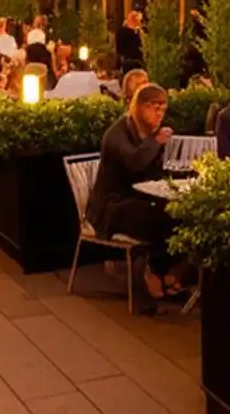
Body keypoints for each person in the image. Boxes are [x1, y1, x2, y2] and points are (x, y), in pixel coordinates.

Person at [86, 84, 181, 308]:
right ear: (139, 107)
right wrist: (156, 143)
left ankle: (165, 271)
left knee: (177, 213)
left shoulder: (152, 134)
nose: (159, 114)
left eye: (163, 109)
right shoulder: (117, 133)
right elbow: (135, 162)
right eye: (154, 108)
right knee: (157, 218)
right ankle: (156, 273)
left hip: (139, 198)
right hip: (111, 206)